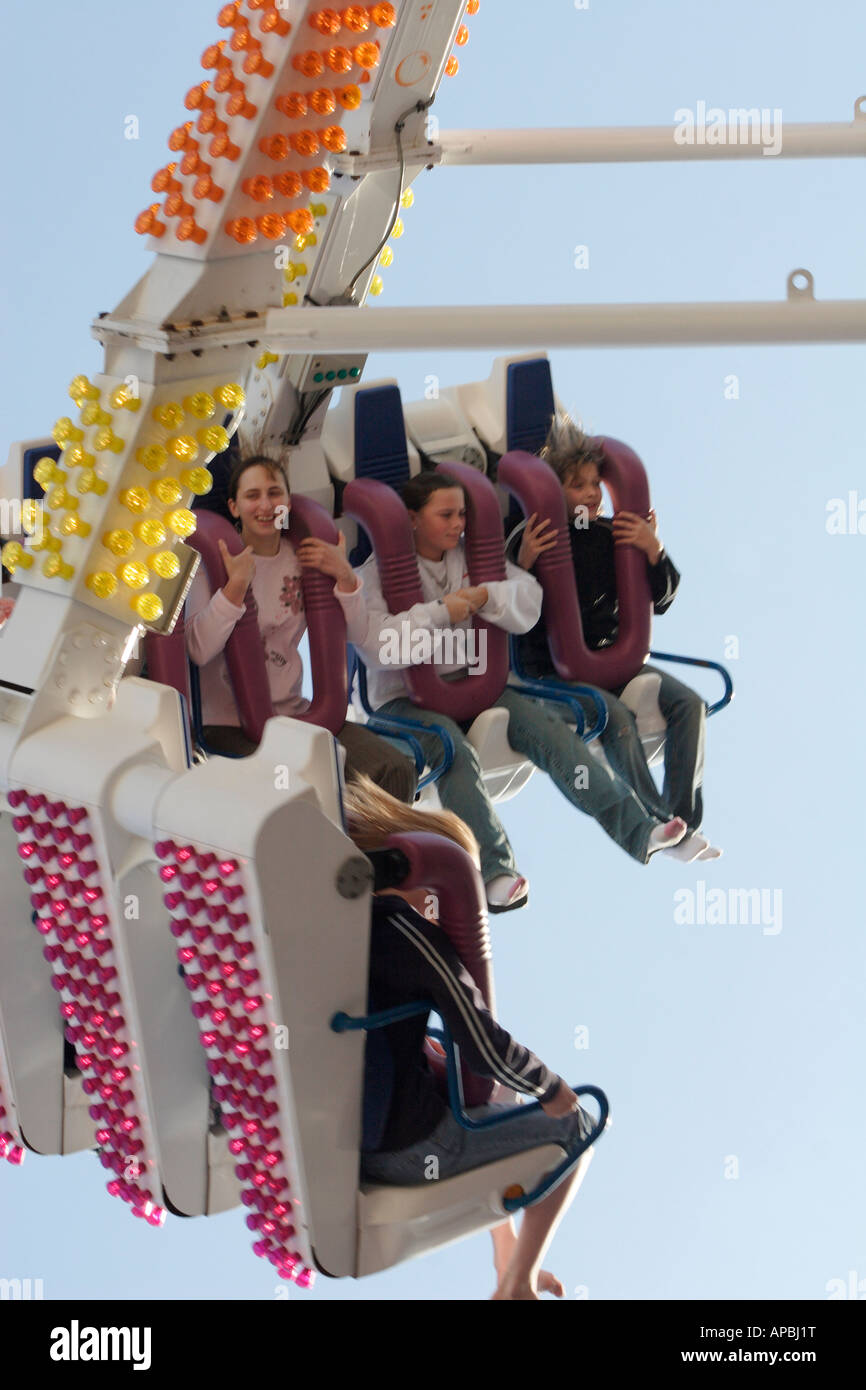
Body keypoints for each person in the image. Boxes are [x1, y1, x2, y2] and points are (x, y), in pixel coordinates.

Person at [351, 471, 689, 911]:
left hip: (477, 686)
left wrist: (486, 597)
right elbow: (378, 648)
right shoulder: (374, 574)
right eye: (446, 515)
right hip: (403, 702)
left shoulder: (470, 556)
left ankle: (637, 831)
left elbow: (527, 602)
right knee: (452, 751)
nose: (458, 524)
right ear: (413, 519)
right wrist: (441, 612)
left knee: (553, 737)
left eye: (462, 514)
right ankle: (494, 872)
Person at [343, 775, 601, 1301]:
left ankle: (505, 1248)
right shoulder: (415, 933)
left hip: (351, 1138)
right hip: (405, 1144)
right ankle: (518, 1282)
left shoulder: (346, 924)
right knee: (576, 1125)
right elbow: (484, 1046)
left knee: (486, 1098)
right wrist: (550, 1086)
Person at [515, 414, 719, 861]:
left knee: (690, 704)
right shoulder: (534, 536)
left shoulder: (612, 533)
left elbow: (662, 600)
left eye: (595, 484)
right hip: (553, 672)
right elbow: (507, 612)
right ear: (554, 492)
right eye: (577, 486)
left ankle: (682, 822)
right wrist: (525, 561)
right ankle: (655, 820)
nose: (591, 494)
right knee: (617, 718)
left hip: (616, 659)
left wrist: (654, 550)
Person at [185, 453, 417, 802]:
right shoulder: (213, 563)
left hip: (293, 713)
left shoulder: (304, 556)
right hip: (228, 724)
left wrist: (344, 575)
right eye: (252, 496)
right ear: (234, 507)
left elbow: (357, 632)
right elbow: (198, 649)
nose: (265, 504)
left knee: (392, 769)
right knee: (301, 790)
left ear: (288, 504)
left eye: (275, 493)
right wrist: (235, 588)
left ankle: (376, 855)